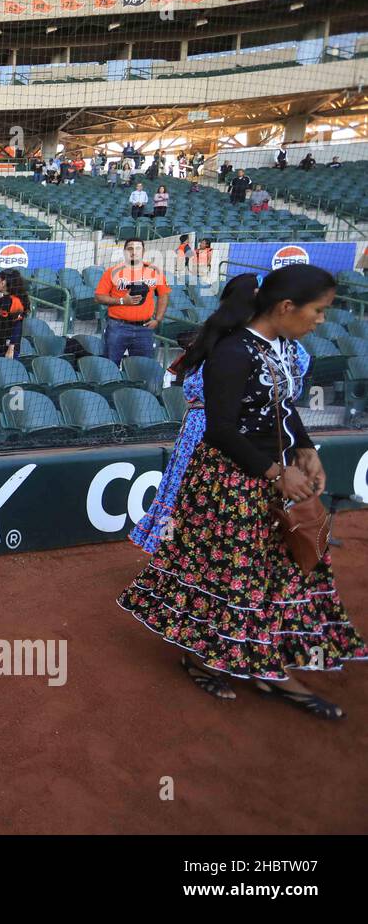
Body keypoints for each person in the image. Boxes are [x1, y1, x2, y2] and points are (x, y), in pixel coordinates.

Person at [117, 264, 366, 717]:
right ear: (286, 307)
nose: (321, 320)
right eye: (317, 310)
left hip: (271, 475)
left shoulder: (282, 346)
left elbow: (283, 406)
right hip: (229, 483)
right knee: (232, 574)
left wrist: (306, 448)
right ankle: (206, 659)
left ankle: (259, 658)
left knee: (280, 568)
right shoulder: (233, 351)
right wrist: (276, 472)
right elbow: (219, 429)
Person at [129, 275, 308, 556]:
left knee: (198, 499)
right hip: (215, 431)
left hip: (226, 432)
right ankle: (175, 555)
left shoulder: (259, 343)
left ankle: (180, 555)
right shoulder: (229, 342)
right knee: (193, 498)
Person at [95, 238, 170, 364]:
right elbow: (98, 297)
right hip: (117, 326)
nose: (134, 252)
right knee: (110, 365)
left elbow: (164, 295)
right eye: (130, 249)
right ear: (124, 252)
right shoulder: (112, 272)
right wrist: (123, 301)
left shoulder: (154, 271)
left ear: (143, 251)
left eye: (138, 249)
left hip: (145, 329)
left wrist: (157, 319)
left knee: (143, 368)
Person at [0, 268, 30, 358]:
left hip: (8, 349)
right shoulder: (1, 301)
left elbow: (17, 326)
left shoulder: (15, 301)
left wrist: (11, 348)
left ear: (3, 283)